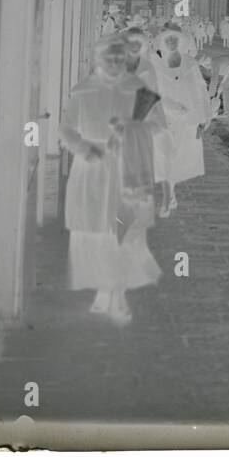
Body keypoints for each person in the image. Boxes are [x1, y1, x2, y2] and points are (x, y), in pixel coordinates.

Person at [58, 35, 164, 325]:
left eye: (120, 57)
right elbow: (66, 130)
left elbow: (158, 124)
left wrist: (132, 129)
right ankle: (104, 288)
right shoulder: (82, 92)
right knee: (94, 231)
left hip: (127, 170)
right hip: (92, 170)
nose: (116, 62)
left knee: (123, 229)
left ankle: (118, 294)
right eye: (110, 57)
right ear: (98, 60)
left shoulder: (139, 89)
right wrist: (84, 148)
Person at [148, 23, 213, 215]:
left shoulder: (190, 64)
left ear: (180, 41)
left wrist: (204, 116)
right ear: (161, 42)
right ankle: (168, 198)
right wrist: (169, 105)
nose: (171, 42)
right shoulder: (155, 63)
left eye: (174, 39)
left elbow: (200, 90)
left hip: (187, 119)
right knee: (165, 155)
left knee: (179, 157)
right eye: (167, 39)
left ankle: (171, 193)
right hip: (163, 116)